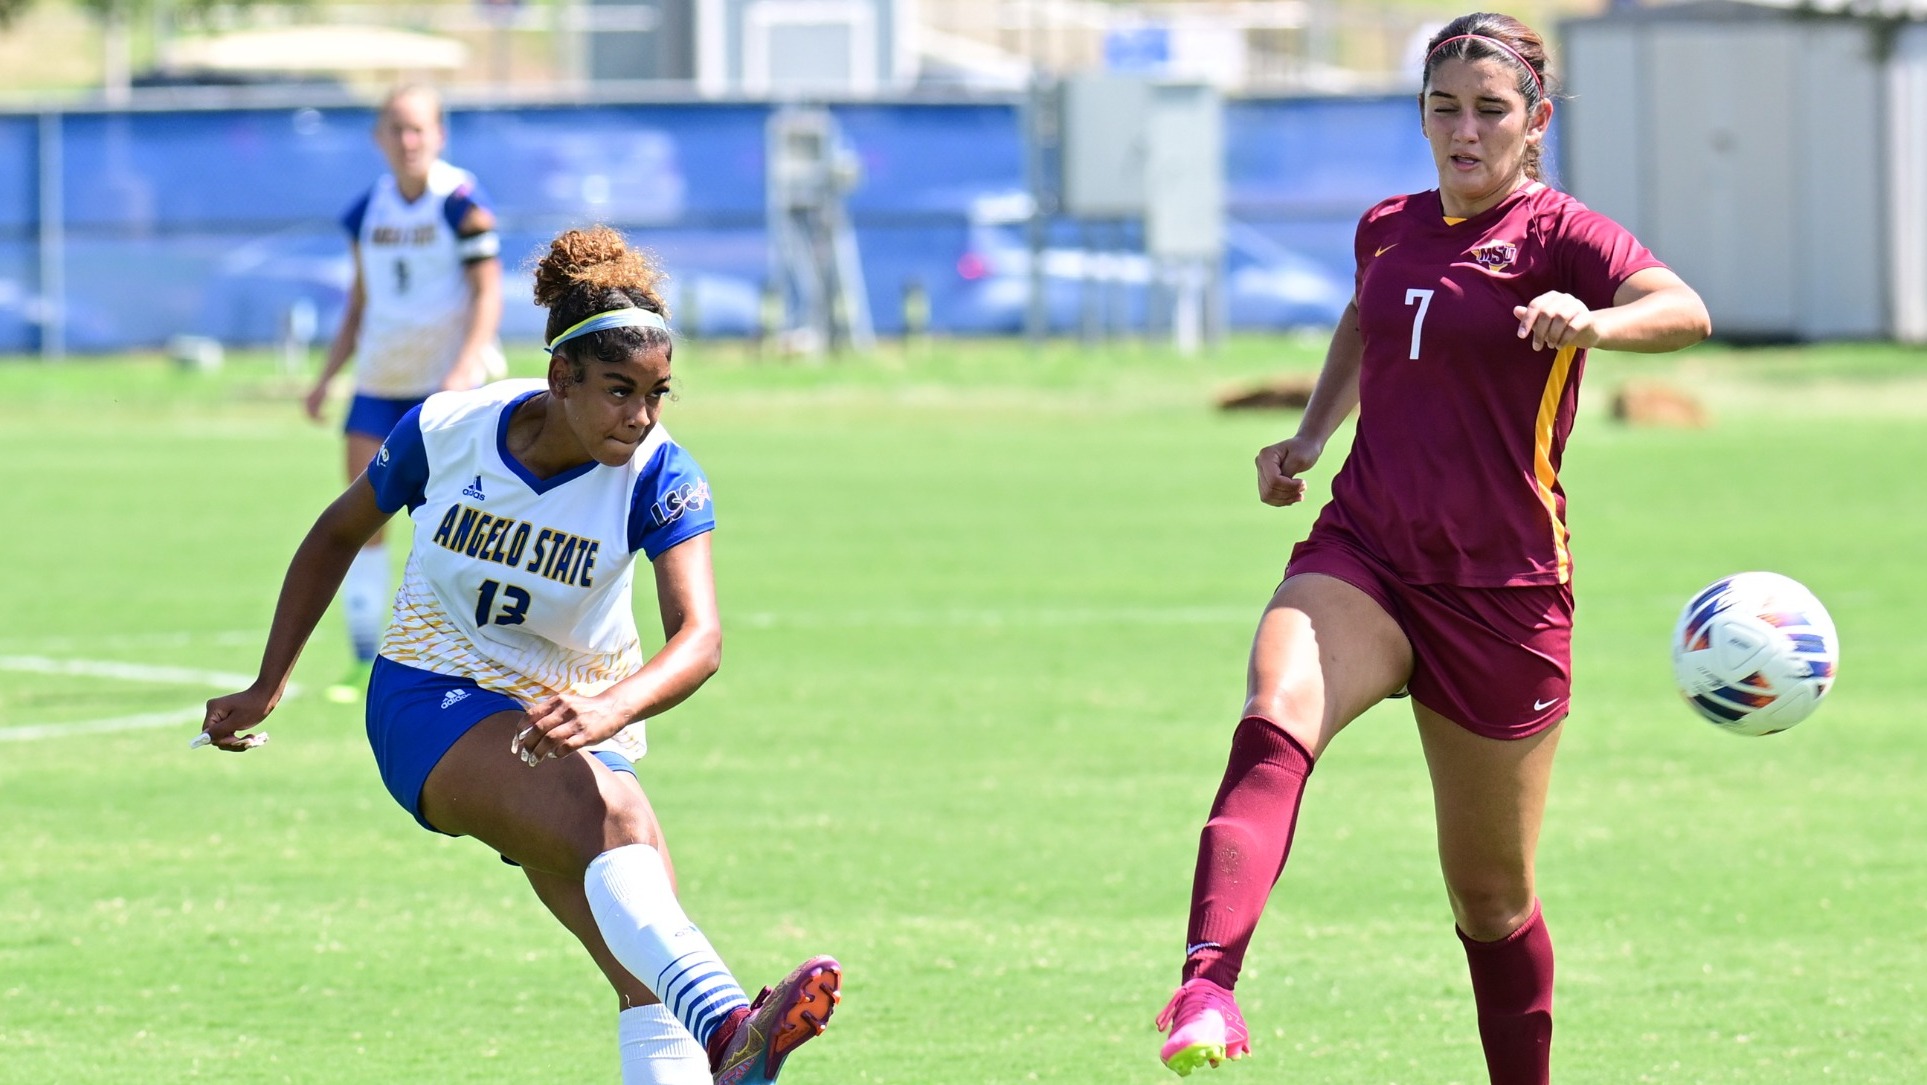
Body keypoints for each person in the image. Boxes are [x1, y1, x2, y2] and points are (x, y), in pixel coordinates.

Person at [1153, 13, 1711, 1085]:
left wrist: (1593, 324)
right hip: (1366, 549)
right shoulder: (1386, 226)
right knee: (1273, 717)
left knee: (1490, 900)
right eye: (1443, 108)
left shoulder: (1561, 235)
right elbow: (1365, 318)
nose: (1464, 131)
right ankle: (1206, 983)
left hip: (1502, 593)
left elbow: (1681, 309)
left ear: (1535, 122)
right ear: (1419, 116)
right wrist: (1310, 436)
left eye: (1490, 111)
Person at [203, 226, 840, 1085]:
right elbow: (335, 534)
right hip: (431, 693)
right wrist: (267, 683)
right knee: (620, 831)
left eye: (657, 393)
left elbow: (701, 638)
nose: (640, 416)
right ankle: (732, 1026)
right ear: (561, 377)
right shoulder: (448, 429)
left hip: (574, 716)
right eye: (619, 391)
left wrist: (613, 707)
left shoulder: (660, 473)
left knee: (648, 968)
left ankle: (719, 1039)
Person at [306, 83, 507, 704]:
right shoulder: (367, 211)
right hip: (379, 386)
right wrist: (328, 375)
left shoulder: (461, 203)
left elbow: (489, 291)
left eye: (418, 128)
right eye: (396, 128)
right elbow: (361, 300)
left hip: (446, 393)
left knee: (460, 525)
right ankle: (362, 659)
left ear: (439, 135)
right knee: (362, 522)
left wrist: (464, 367)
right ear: (378, 138)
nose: (408, 140)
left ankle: (476, 658)